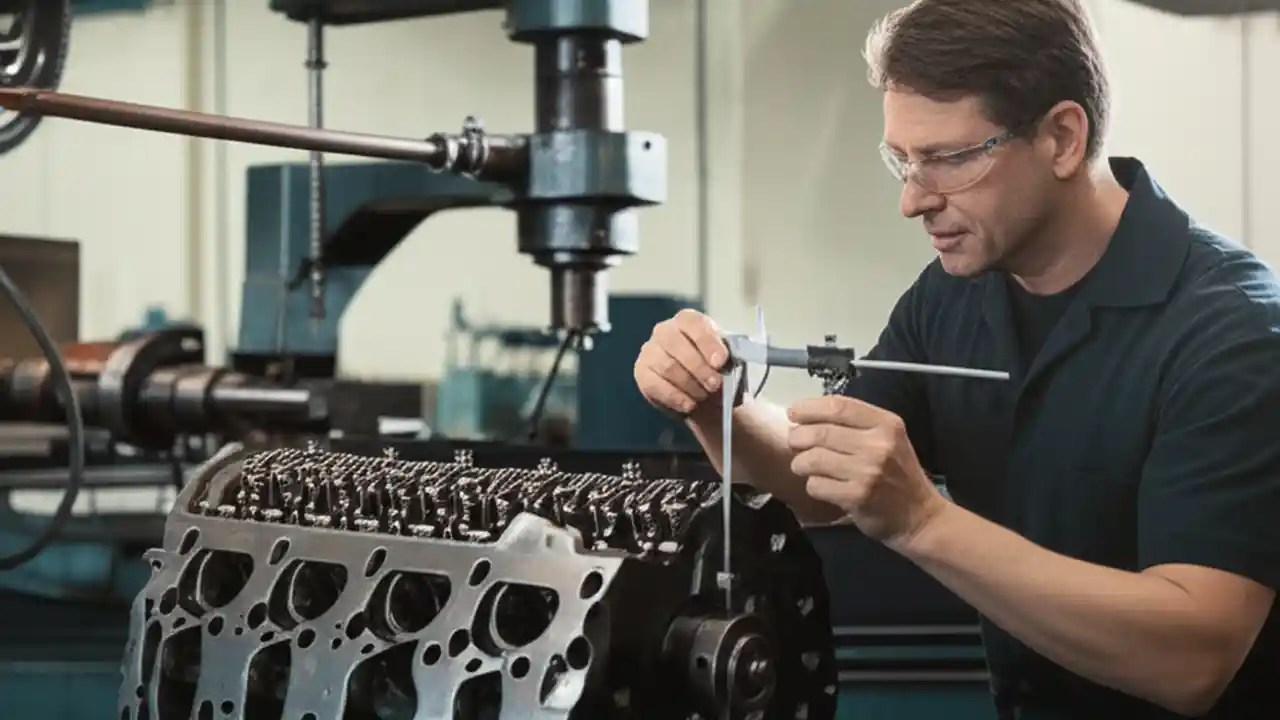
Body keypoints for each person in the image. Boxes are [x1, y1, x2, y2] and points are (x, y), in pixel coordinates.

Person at [633, 1, 1280, 717]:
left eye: (947, 159)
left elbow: (1194, 657)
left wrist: (923, 522)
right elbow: (817, 484)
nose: (913, 199)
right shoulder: (954, 294)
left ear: (1062, 138)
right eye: (902, 160)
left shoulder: (1233, 331)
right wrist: (716, 403)